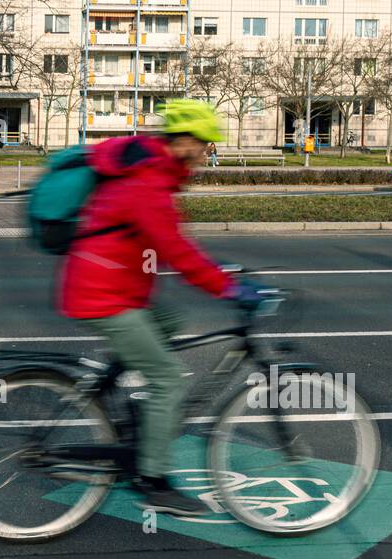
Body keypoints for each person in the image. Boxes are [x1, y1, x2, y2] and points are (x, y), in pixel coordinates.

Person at [56, 99, 260, 515]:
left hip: (115, 291)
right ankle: (153, 479)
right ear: (183, 141)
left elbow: (166, 245)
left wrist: (221, 270)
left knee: (168, 322)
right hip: (103, 296)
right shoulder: (148, 182)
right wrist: (228, 288)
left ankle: (128, 406)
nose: (206, 153)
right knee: (168, 378)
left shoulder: (154, 174)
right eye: (204, 145)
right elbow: (176, 250)